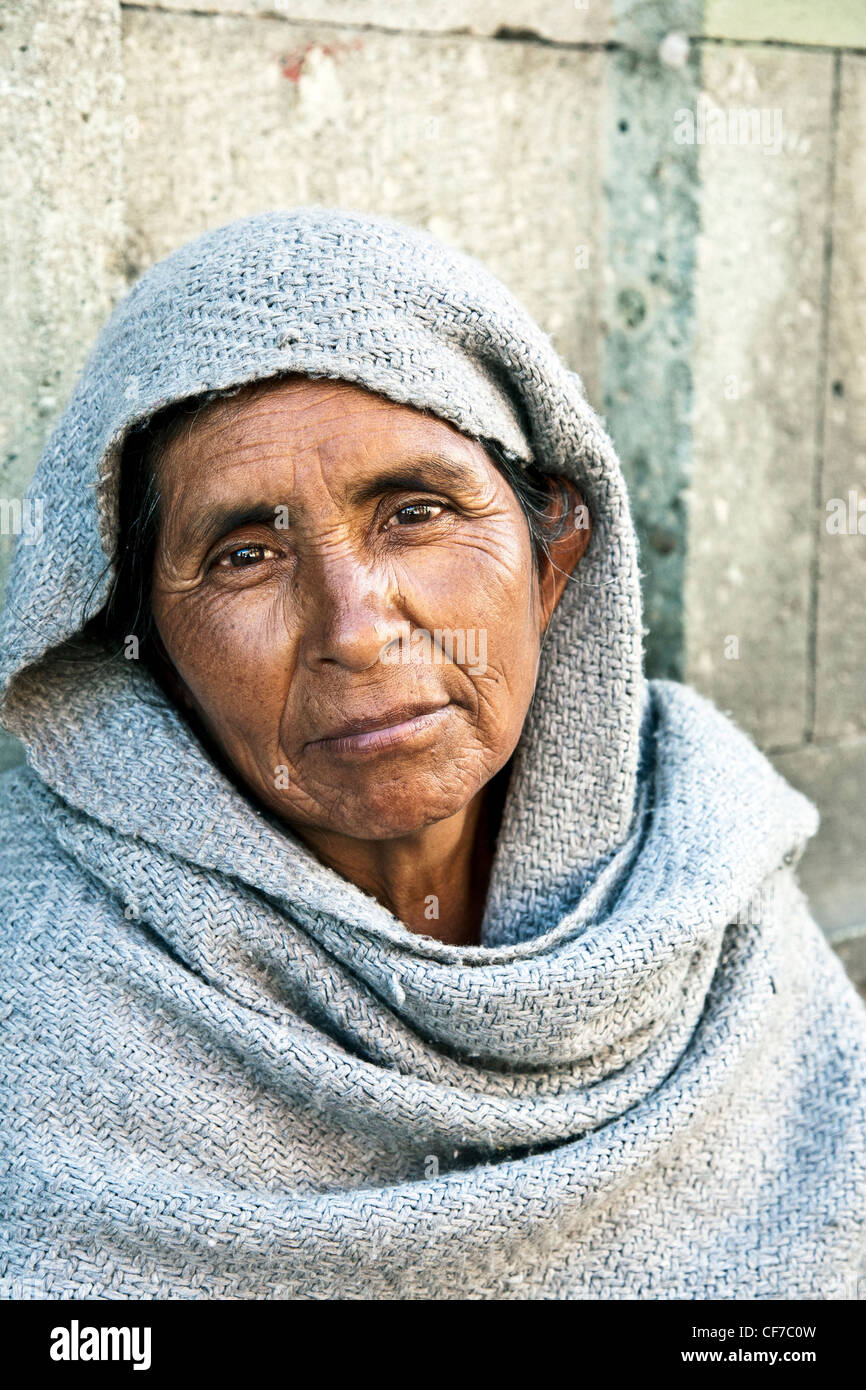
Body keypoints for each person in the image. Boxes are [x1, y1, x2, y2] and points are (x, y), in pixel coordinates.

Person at [0, 207, 864, 1299]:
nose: (354, 628)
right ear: (147, 652)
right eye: (244, 554)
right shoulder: (39, 994)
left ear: (551, 563)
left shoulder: (701, 870)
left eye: (413, 512)